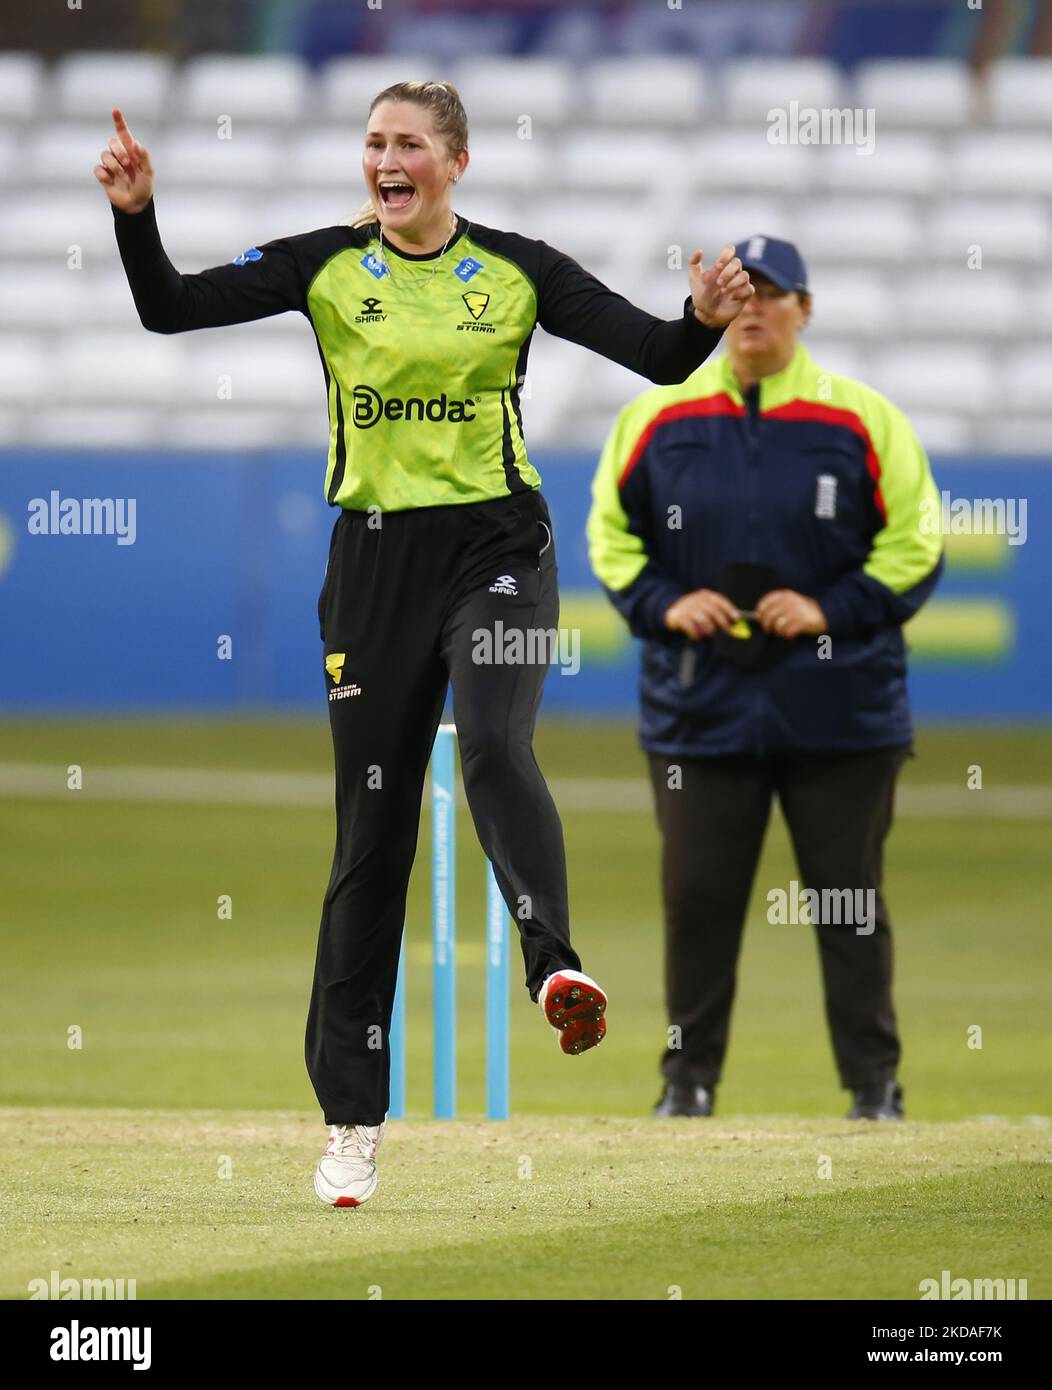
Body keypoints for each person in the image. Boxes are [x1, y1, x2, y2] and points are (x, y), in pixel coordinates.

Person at [95, 83, 754, 1205]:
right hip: (371, 573)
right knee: (372, 839)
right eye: (372, 143)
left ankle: (554, 969)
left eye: (406, 144)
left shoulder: (515, 270)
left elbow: (654, 355)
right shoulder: (324, 264)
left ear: (453, 163)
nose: (384, 160)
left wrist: (697, 314)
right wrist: (136, 212)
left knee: (493, 740)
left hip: (495, 546)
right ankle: (350, 1121)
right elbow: (169, 309)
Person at [587, 236, 943, 1123]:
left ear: (805, 308)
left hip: (842, 708)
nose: (752, 308)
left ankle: (875, 1087)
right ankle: (687, 1084)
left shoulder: (863, 417)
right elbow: (610, 538)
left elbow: (918, 543)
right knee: (697, 906)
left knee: (850, 904)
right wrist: (668, 604)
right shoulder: (656, 419)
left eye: (772, 293)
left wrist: (834, 608)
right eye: (737, 292)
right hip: (699, 708)